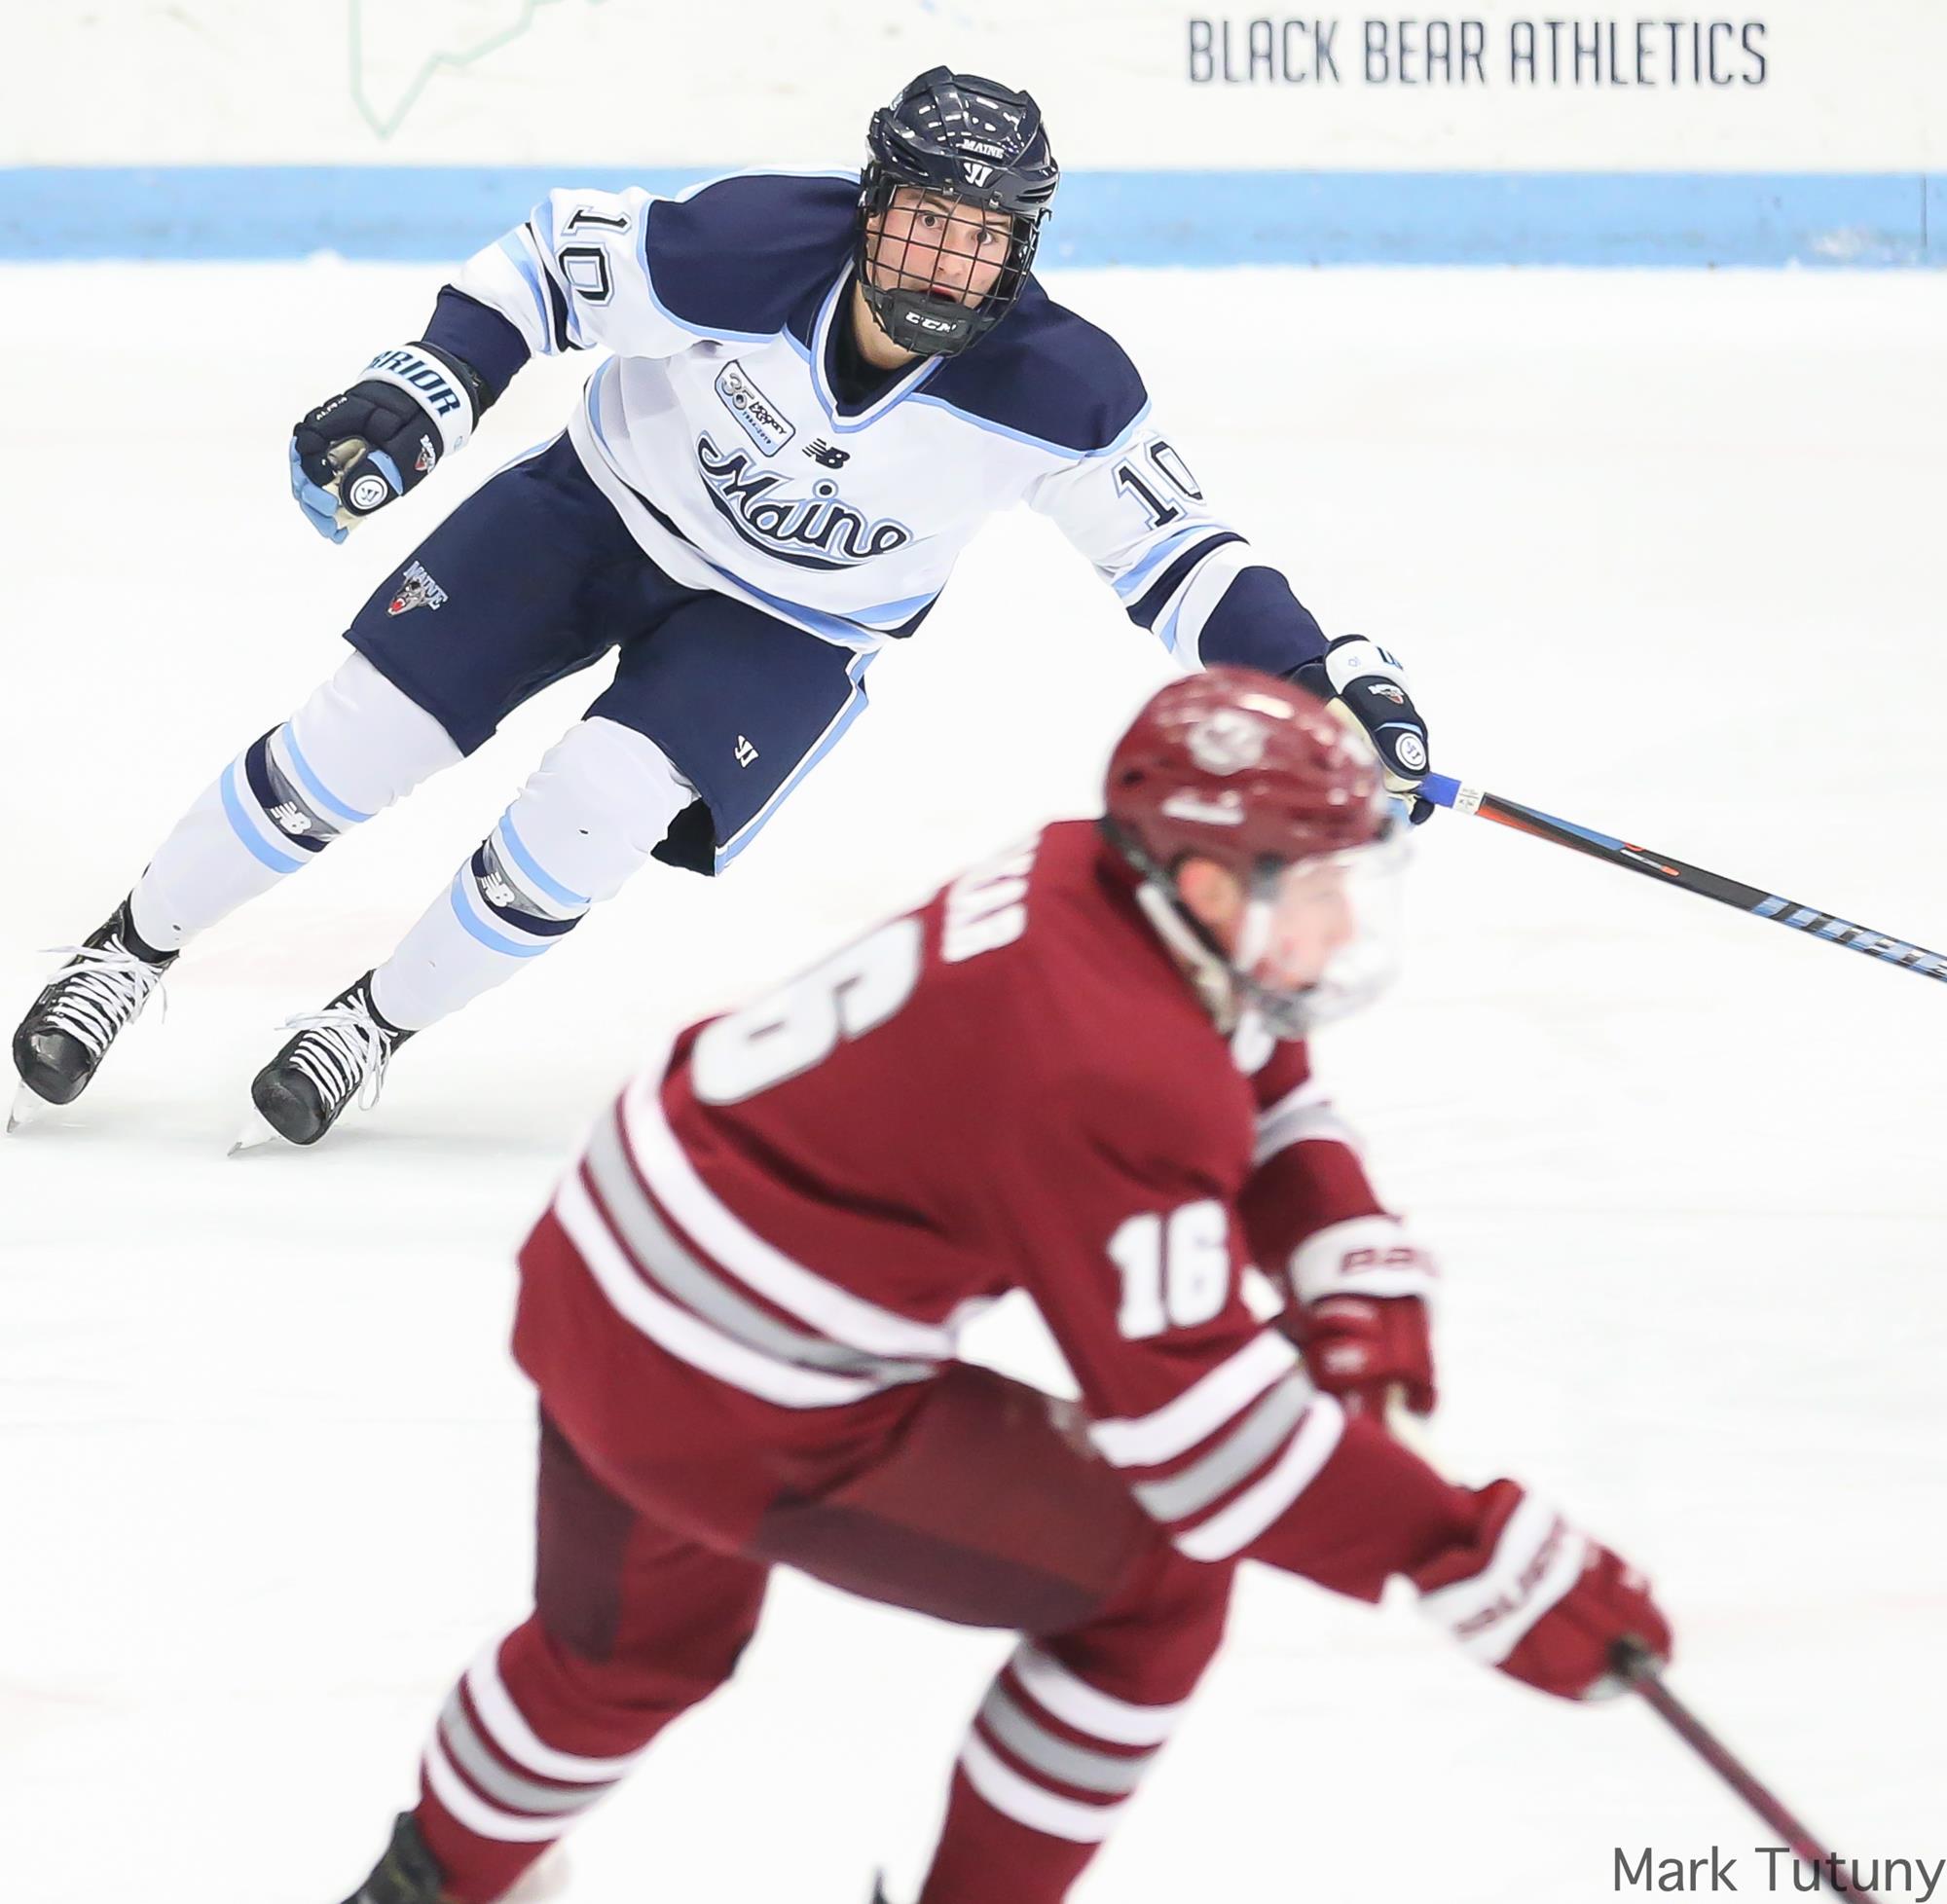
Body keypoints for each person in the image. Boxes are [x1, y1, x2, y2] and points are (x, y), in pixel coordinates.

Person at [332, 667, 1668, 1904]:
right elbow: (1202, 1444)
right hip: (740, 1390)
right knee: (1155, 1587)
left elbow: (1250, 1062)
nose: (1337, 920)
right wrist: (1466, 1548)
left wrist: (1344, 1261)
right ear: (1205, 884)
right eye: (1312, 885)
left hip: (603, 1276)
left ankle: (427, 1885)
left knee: (620, 1652)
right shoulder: (1114, 1069)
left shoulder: (1087, 868)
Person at [8, 65, 1434, 1149]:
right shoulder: (749, 246)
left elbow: (1186, 563)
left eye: (983, 240)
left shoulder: (1064, 389)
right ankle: (122, 956)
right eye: (928, 225)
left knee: (594, 810)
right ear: (874, 208)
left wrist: (1330, 677)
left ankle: (370, 1030)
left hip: (792, 630)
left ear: (1025, 247)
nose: (951, 264)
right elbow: (537, 268)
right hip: (594, 512)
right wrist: (426, 384)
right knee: (351, 748)